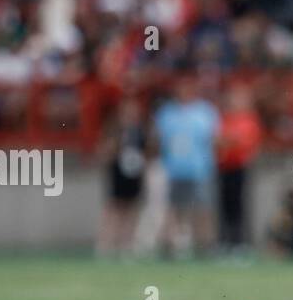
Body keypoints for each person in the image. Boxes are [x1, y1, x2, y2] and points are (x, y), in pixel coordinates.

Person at [154, 75, 219, 258]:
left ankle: (205, 246)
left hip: (199, 169)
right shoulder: (167, 113)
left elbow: (213, 139)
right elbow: (159, 140)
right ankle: (168, 245)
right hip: (175, 169)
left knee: (202, 209)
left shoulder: (205, 112)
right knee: (174, 209)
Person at [96, 96, 150, 257]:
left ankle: (127, 245)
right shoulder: (114, 130)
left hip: (134, 174)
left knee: (131, 210)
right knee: (114, 209)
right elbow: (104, 152)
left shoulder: (140, 131)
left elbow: (148, 151)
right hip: (117, 172)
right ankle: (106, 245)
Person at [215, 84, 263, 254]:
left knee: (239, 207)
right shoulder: (225, 119)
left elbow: (244, 143)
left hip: (239, 168)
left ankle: (239, 243)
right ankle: (224, 242)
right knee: (223, 206)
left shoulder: (249, 120)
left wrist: (229, 141)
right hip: (224, 167)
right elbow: (219, 141)